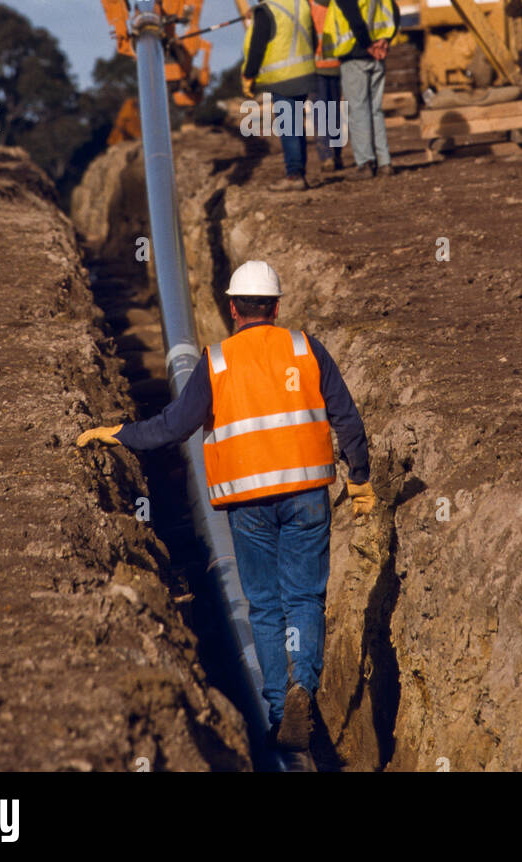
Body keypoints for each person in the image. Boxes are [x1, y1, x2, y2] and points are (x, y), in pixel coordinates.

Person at [76, 260, 374, 754]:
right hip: (307, 497)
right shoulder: (305, 348)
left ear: (234, 308)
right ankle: (305, 685)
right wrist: (360, 479)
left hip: (248, 504)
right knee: (304, 597)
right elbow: (346, 417)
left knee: (265, 604)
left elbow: (173, 426)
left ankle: (280, 712)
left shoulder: (215, 362)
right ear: (276, 308)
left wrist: (121, 434)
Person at [321, 0, 399, 178]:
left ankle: (365, 164)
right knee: (375, 109)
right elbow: (394, 12)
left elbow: (354, 20)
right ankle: (385, 162)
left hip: (357, 55)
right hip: (378, 54)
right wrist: (385, 40)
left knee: (358, 110)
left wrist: (366, 45)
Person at [241, 0, 317, 193]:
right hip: (304, 73)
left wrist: (249, 75)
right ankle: (299, 172)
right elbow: (312, 35)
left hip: (282, 77)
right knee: (296, 125)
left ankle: (294, 176)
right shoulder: (300, 2)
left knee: (288, 127)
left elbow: (257, 47)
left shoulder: (265, 10)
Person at [295, 0, 344, 174]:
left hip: (316, 64)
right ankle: (338, 154)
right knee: (335, 111)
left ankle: (326, 157)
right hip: (339, 61)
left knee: (320, 112)